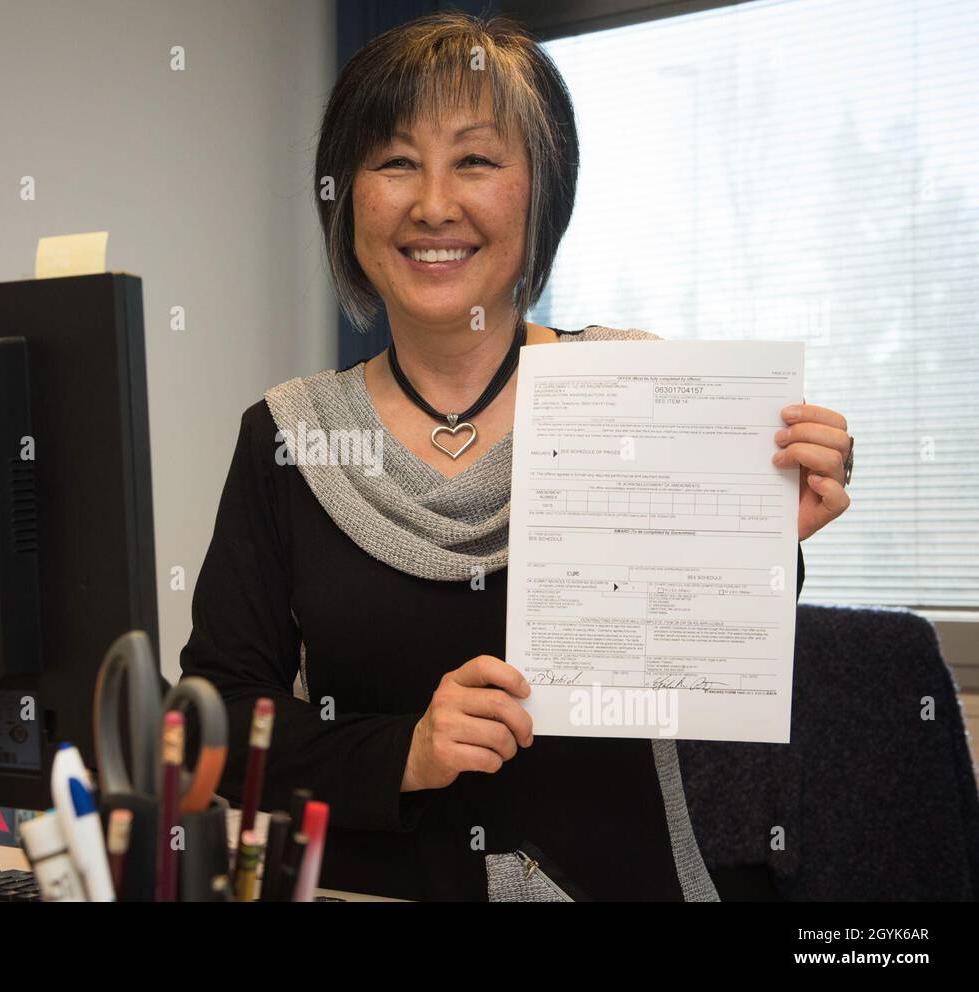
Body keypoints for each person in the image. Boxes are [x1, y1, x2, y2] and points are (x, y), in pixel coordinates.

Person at [180, 11, 852, 901]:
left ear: (543, 192)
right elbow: (212, 728)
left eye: (476, 160)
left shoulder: (630, 390)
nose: (432, 204)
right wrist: (405, 752)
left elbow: (701, 663)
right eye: (392, 161)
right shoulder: (290, 436)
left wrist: (762, 538)